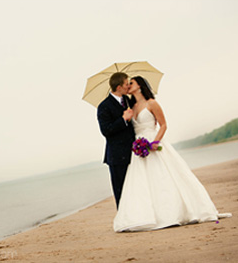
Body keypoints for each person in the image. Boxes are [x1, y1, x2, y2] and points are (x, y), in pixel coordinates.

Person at [113, 76, 228, 232]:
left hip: (154, 143)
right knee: (142, 182)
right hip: (139, 148)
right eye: (127, 84)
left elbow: (163, 125)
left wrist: (156, 142)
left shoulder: (152, 103)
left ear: (140, 85)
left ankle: (174, 212)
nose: (128, 85)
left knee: (164, 176)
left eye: (131, 83)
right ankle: (146, 215)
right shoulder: (130, 107)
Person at [97, 72, 136, 208]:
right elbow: (106, 130)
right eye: (126, 84)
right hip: (117, 155)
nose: (128, 86)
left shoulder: (129, 100)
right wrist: (123, 119)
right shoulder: (104, 106)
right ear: (119, 87)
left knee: (136, 187)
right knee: (121, 190)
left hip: (134, 152)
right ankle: (124, 219)